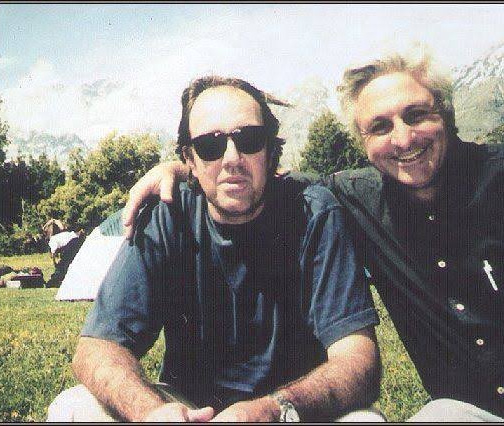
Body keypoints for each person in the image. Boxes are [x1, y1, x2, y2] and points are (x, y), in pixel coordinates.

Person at [122, 43, 504, 422]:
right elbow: (260, 179)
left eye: (416, 115)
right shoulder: (355, 198)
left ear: (446, 113)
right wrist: (187, 169)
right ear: (363, 141)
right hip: (471, 413)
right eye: (379, 127)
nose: (403, 139)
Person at [47, 76, 383, 422]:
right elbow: (97, 347)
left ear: (270, 151)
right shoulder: (167, 215)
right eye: (210, 146)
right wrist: (152, 412)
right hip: (191, 412)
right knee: (73, 408)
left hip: (291, 409)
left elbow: (358, 360)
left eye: (249, 139)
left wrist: (272, 410)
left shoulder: (315, 213)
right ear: (189, 160)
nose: (232, 159)